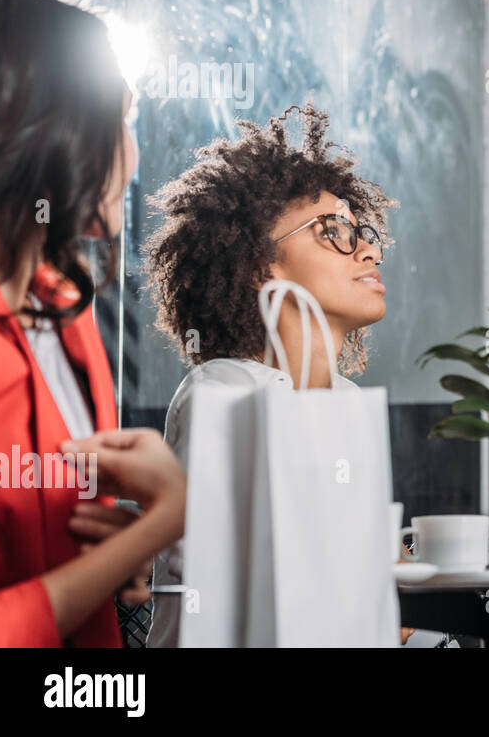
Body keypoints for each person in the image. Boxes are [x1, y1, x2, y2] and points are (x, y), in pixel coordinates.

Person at [140, 103, 412, 645]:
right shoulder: (223, 391)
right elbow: (214, 574)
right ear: (259, 263)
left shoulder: (344, 401)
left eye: (363, 231)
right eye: (333, 230)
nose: (367, 249)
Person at [0, 0, 186, 646]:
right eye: (123, 117)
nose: (132, 152)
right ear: (61, 125)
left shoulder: (67, 315)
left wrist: (123, 551)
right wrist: (165, 522)